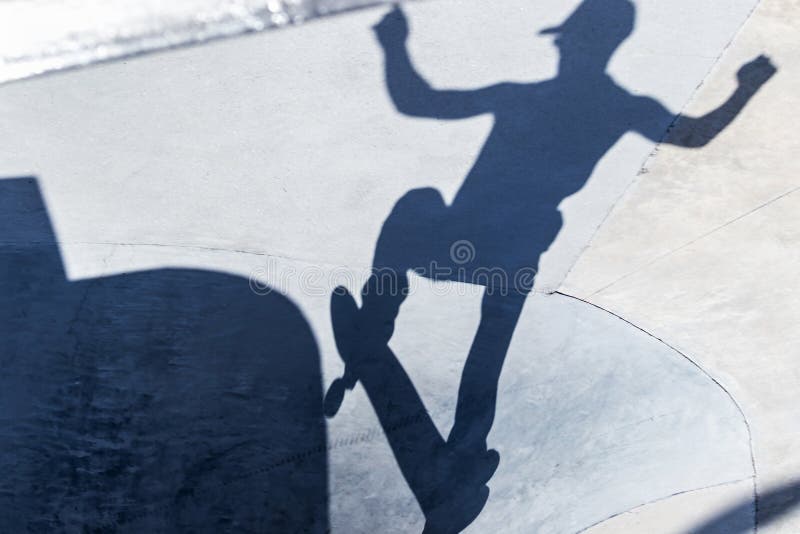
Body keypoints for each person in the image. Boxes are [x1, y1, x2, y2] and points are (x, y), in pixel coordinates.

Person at [326, 1, 776, 530]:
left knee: (417, 203)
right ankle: (467, 447)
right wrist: (745, 87)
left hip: (454, 248)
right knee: (490, 341)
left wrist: (392, 44)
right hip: (517, 251)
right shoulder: (624, 107)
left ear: (572, 42)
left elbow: (420, 102)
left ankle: (378, 320)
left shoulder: (522, 96)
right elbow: (693, 135)